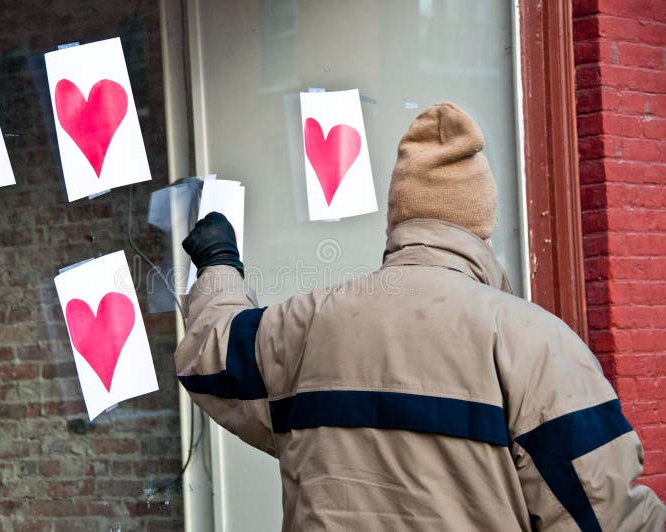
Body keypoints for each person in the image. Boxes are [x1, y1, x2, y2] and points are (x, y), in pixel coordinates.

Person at [174, 102, 666, 531]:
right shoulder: (536, 344)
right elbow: (605, 515)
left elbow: (214, 351)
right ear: (482, 230)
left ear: (396, 222)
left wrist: (219, 263)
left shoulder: (307, 325)